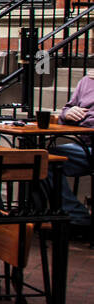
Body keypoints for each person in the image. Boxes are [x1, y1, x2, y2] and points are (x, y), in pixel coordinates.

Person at [48, 78, 94, 228]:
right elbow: (66, 111)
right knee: (41, 158)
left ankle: (76, 219)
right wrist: (68, 113)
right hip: (84, 146)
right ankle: (75, 215)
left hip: (86, 146)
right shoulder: (87, 81)